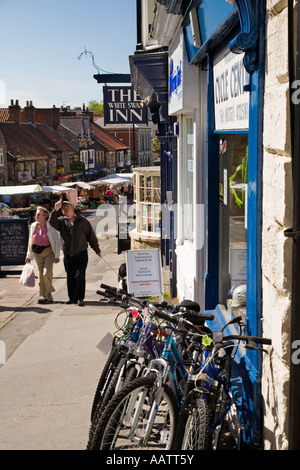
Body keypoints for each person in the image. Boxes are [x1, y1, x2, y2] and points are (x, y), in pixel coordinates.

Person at [49, 198, 101, 306]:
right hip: (68, 254)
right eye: (63, 206)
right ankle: (72, 298)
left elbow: (91, 236)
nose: (64, 207)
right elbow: (51, 222)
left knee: (80, 276)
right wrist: (55, 210)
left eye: (67, 205)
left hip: (81, 253)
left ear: (73, 207)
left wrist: (97, 250)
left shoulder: (82, 221)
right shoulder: (61, 221)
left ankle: (80, 298)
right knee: (70, 276)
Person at [25, 206, 60, 304]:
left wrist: (57, 255)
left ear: (44, 216)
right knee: (40, 276)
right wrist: (28, 255)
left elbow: (57, 242)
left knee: (46, 273)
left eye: (38, 214)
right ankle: (44, 296)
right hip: (37, 253)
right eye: (36, 214)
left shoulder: (50, 227)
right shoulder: (33, 226)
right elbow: (30, 241)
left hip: (48, 252)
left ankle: (49, 293)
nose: (36, 216)